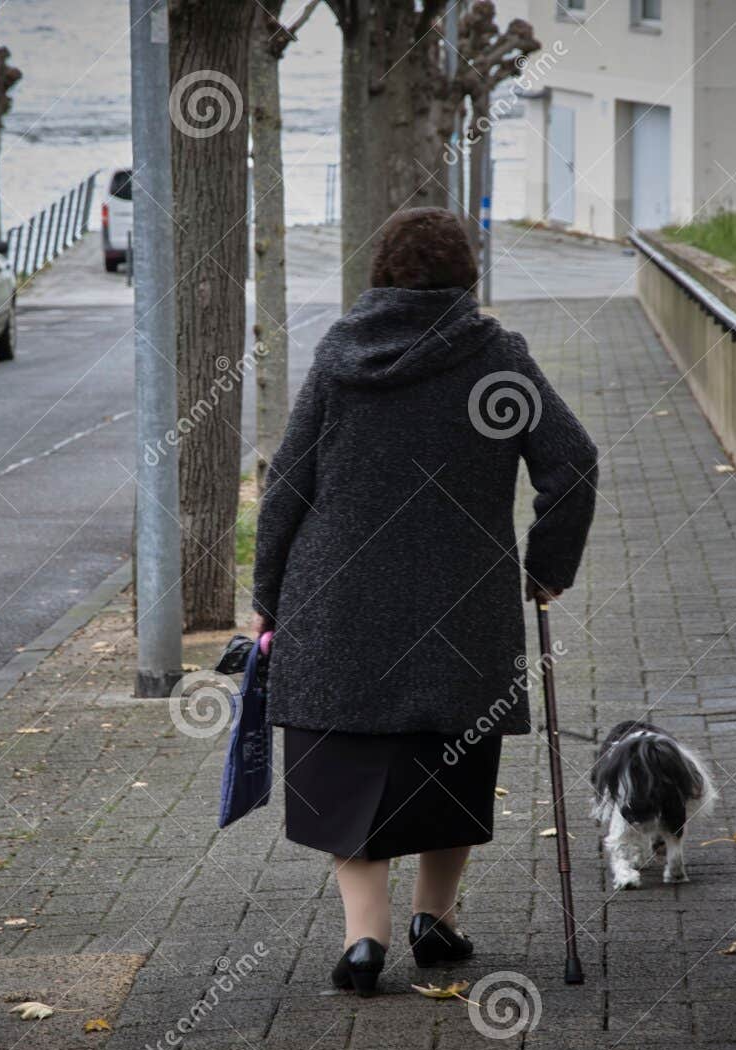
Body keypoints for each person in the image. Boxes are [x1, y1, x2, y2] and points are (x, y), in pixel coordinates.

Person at [250, 207, 598, 995]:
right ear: (466, 276)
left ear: (380, 273)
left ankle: (363, 937)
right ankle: (433, 922)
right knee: (452, 757)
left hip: (338, 599)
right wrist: (547, 567)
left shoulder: (340, 358)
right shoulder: (495, 359)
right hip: (460, 603)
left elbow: (286, 488)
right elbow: (571, 462)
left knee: (342, 764)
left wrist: (268, 595)